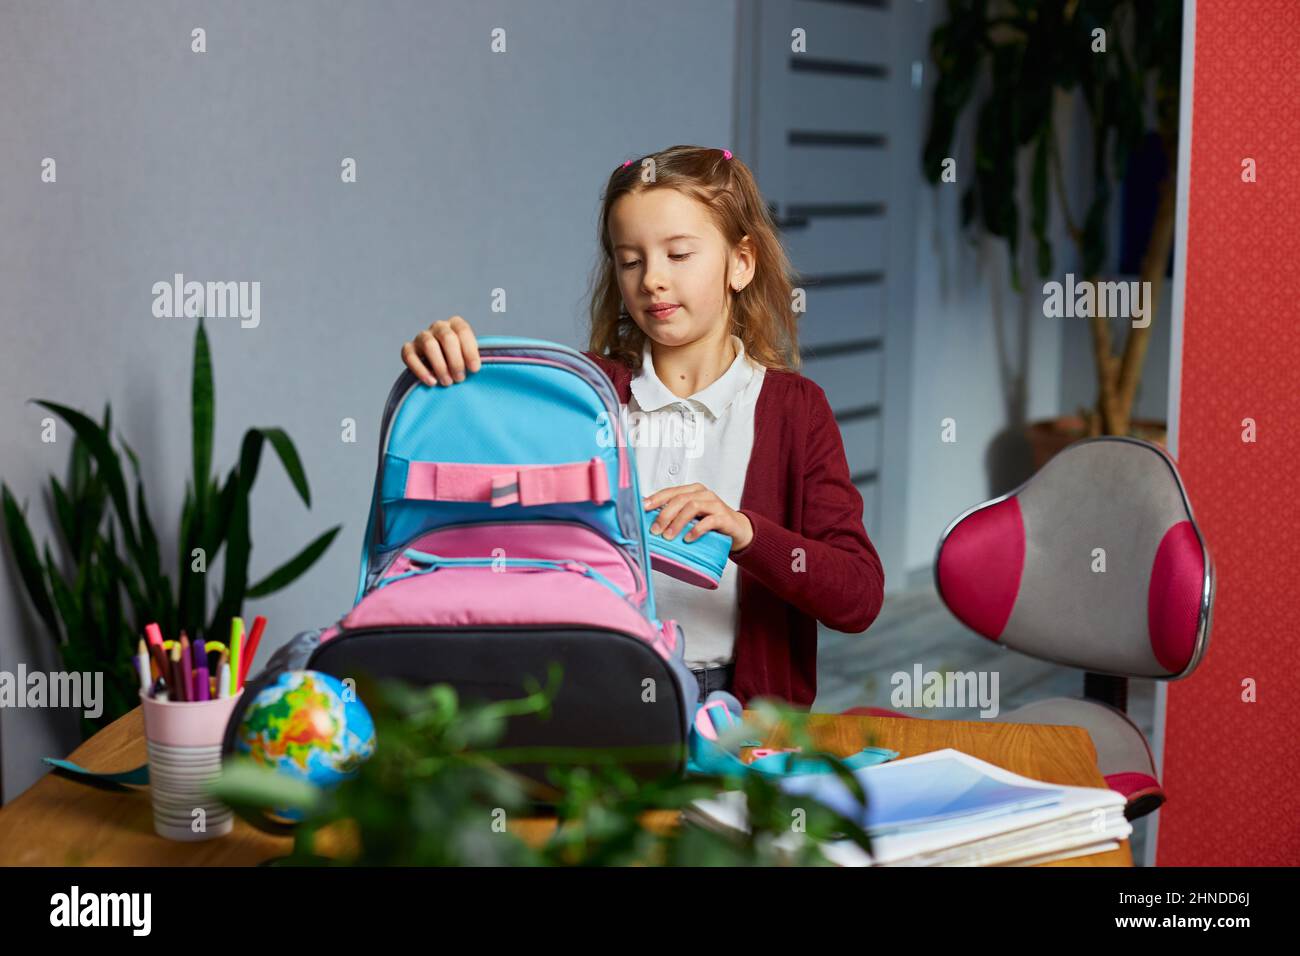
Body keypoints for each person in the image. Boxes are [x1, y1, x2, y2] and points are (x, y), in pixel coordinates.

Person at [400, 145, 884, 708]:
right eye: (630, 261)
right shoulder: (584, 393)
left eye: (678, 254)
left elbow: (858, 596)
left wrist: (746, 532)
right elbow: (488, 474)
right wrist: (450, 363)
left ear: (741, 263)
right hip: (592, 694)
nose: (652, 278)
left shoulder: (796, 412)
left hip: (737, 707)